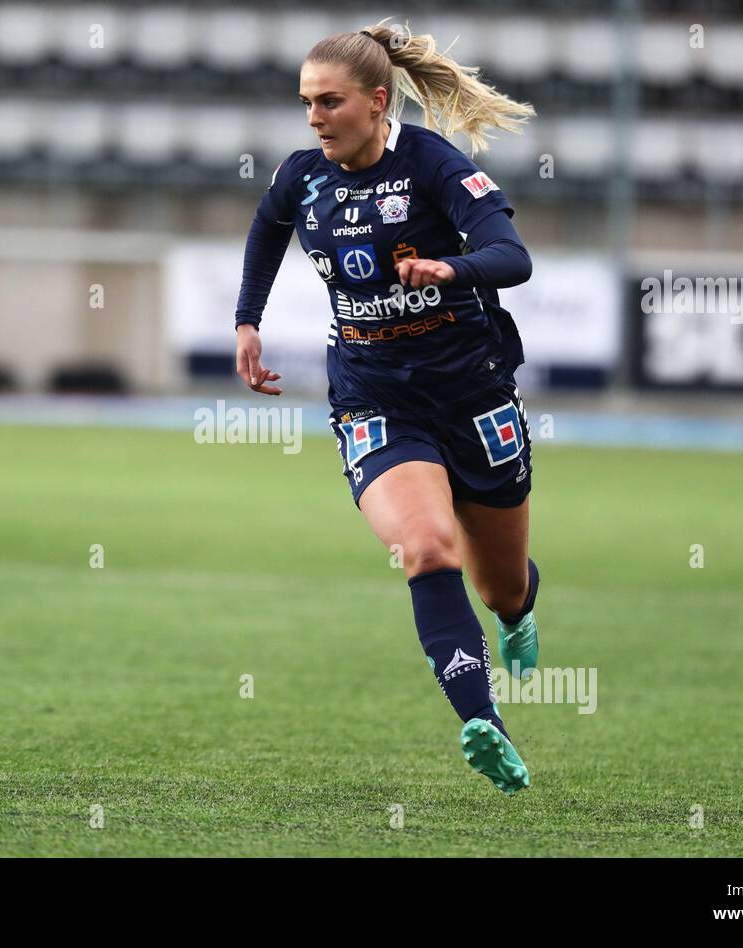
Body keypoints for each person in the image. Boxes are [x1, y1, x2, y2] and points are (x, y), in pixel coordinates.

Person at [233, 21, 540, 795]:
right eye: (305, 103)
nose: (313, 117)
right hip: (374, 398)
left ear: (376, 102)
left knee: (500, 583)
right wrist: (248, 321)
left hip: (472, 394)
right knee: (428, 548)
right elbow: (266, 231)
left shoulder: (435, 165)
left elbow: (514, 257)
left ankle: (516, 614)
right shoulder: (303, 176)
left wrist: (453, 268)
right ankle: (483, 722)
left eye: (328, 102)